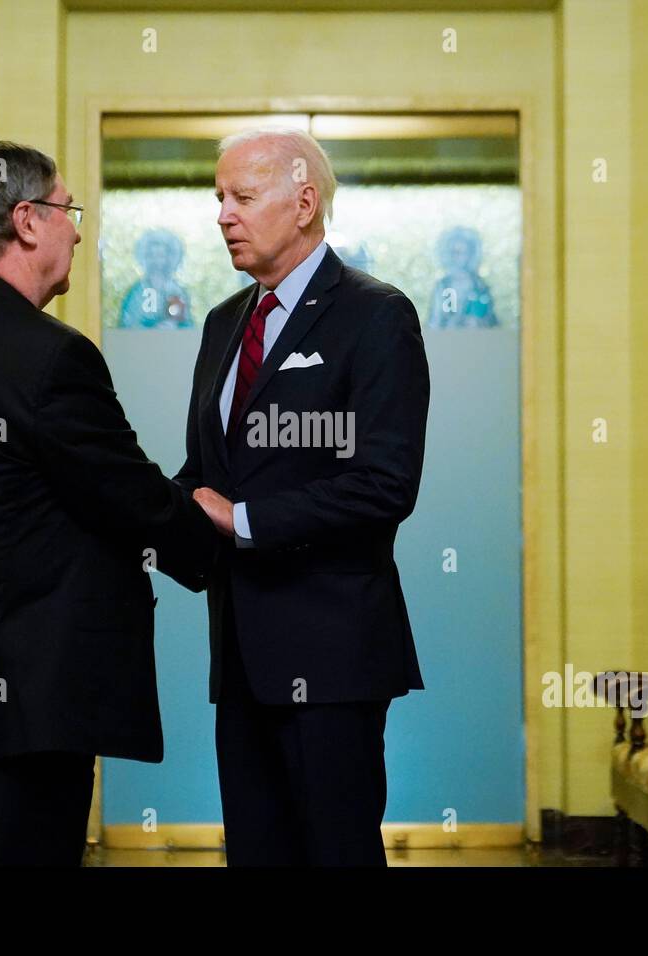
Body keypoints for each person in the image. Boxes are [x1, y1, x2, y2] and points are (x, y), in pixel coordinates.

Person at [0, 140, 217, 866]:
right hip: (28, 702)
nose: (79, 230)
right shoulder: (53, 356)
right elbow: (132, 500)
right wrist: (224, 532)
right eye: (68, 210)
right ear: (26, 221)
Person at [175, 128, 430, 866]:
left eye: (243, 197)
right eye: (219, 198)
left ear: (305, 202)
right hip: (241, 655)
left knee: (335, 853)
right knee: (255, 854)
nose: (223, 215)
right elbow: (204, 473)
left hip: (334, 651)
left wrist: (243, 518)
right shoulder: (226, 321)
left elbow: (386, 484)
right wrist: (126, 511)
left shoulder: (376, 314)